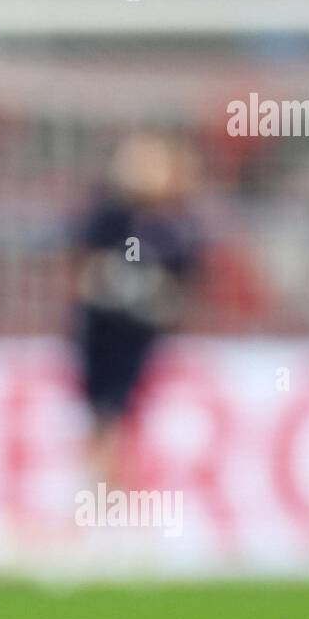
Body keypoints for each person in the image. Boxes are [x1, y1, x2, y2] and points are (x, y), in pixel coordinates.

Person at [69, 133, 203, 488]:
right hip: (102, 328)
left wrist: (153, 295)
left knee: (126, 410)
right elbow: (85, 272)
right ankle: (98, 481)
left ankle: (112, 483)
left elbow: (182, 289)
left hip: (142, 335)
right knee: (101, 408)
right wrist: (119, 284)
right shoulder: (108, 215)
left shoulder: (176, 225)